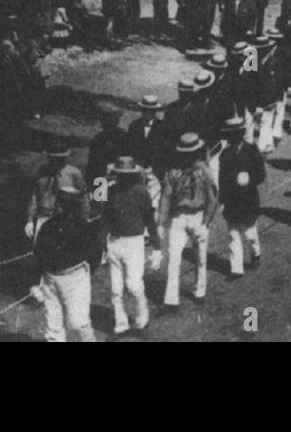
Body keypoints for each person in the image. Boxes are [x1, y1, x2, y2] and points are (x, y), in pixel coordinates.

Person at [33, 172, 102, 342]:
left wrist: (83, 275)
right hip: (50, 280)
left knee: (79, 323)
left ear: (75, 206)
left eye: (67, 204)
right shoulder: (48, 227)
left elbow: (95, 254)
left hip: (76, 278)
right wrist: (37, 281)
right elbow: (39, 254)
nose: (61, 207)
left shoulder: (83, 228)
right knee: (53, 327)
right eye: (61, 203)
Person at [158, 133, 219, 306]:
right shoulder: (173, 172)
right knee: (173, 257)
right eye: (184, 152)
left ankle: (199, 292)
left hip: (198, 216)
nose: (187, 156)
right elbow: (166, 198)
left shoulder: (204, 171)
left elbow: (213, 198)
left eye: (191, 152)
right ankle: (171, 300)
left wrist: (206, 221)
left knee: (200, 257)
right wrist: (161, 223)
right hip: (178, 217)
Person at [103, 157, 162, 336]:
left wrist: (157, 247)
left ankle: (142, 317)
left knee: (134, 284)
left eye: (127, 175)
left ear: (133, 175)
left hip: (134, 242)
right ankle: (121, 322)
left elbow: (149, 220)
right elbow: (104, 218)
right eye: (120, 175)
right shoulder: (110, 191)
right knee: (115, 288)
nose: (123, 178)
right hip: (114, 241)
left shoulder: (141, 192)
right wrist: (102, 245)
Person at [218, 120, 265, 280]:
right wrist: (222, 201)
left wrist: (249, 178)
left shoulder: (251, 151)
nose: (231, 138)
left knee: (249, 233)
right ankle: (236, 268)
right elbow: (222, 180)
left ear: (240, 134)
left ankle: (255, 253)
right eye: (229, 134)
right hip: (231, 201)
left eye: (234, 134)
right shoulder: (225, 154)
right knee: (233, 235)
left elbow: (261, 174)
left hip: (248, 200)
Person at [27, 135, 88, 242]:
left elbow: (83, 199)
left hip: (65, 220)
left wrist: (84, 221)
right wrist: (30, 221)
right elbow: (35, 197)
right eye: (53, 158)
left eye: (60, 159)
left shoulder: (74, 174)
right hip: (44, 217)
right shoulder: (42, 171)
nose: (55, 162)